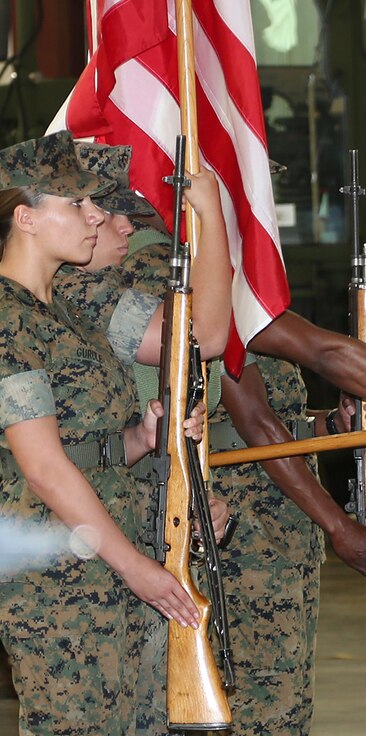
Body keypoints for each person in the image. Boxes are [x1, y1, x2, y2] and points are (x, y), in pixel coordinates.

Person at [62, 142, 366, 734]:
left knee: (257, 691)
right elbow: (276, 397)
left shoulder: (208, 275)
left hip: (226, 504)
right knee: (257, 696)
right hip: (227, 511)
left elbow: (272, 411)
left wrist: (330, 427)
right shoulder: (184, 279)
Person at [0, 132, 210, 735]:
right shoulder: (9, 316)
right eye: (76, 205)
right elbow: (42, 466)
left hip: (113, 549)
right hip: (61, 574)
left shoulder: (59, 309)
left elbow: (90, 444)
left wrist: (146, 435)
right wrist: (134, 568)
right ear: (27, 219)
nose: (96, 216)